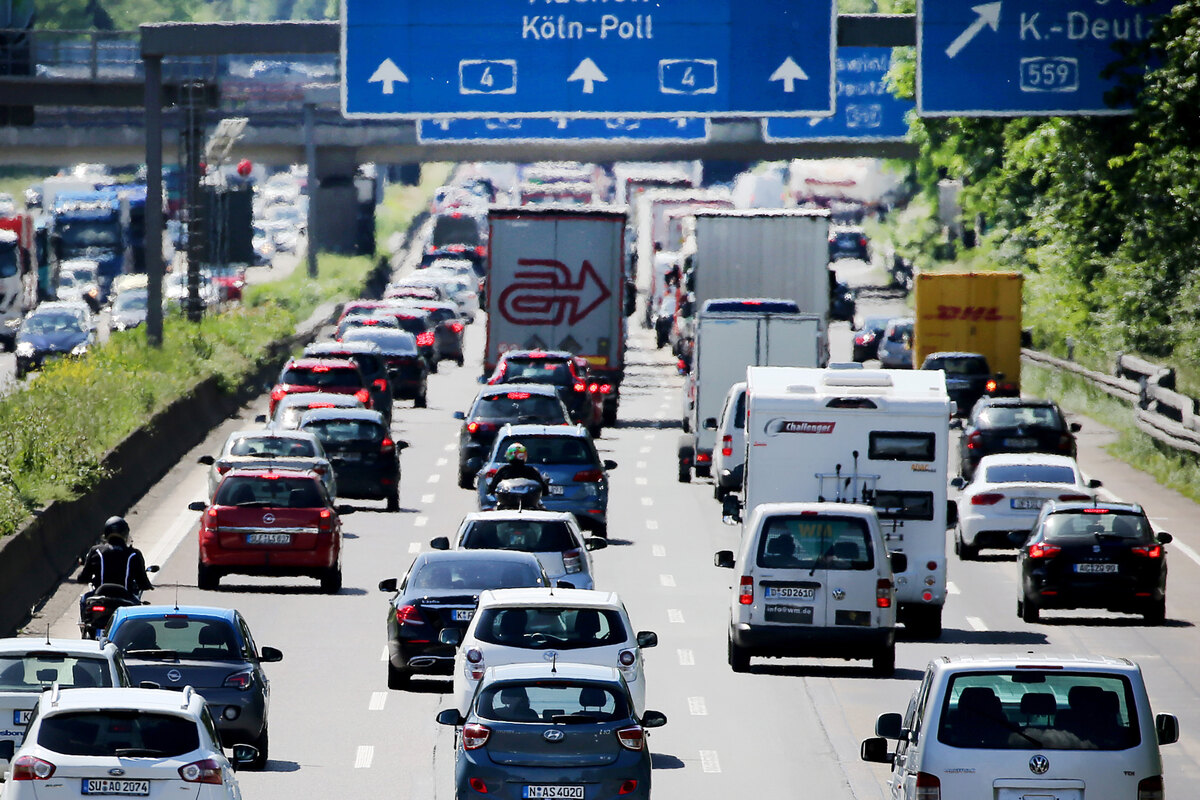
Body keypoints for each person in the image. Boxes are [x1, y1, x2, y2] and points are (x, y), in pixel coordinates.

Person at [78, 516, 154, 619]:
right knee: (138, 610)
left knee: (84, 600)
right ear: (125, 534)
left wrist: (83, 578)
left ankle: (85, 625)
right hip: (126, 599)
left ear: (106, 533)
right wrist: (147, 585)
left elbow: (84, 577)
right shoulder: (134, 554)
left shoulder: (96, 551)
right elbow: (143, 583)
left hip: (100, 598)